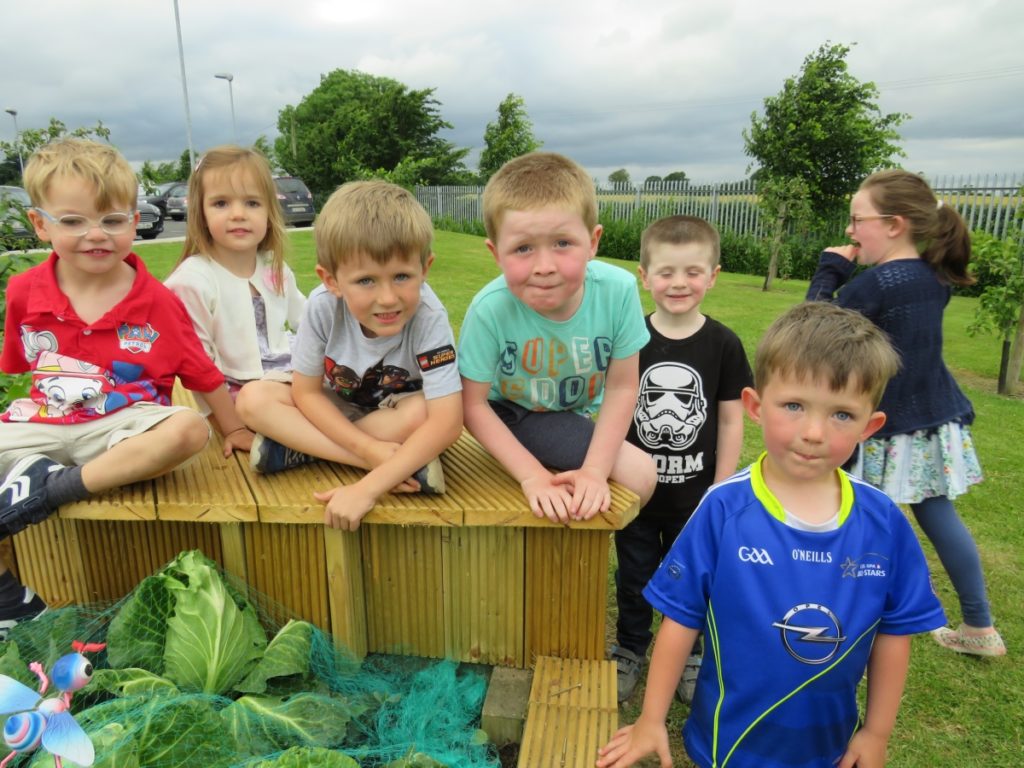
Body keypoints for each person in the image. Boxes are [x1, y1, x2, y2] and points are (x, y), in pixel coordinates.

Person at [597, 301, 948, 768]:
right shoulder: (722, 509)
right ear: (755, 407)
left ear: (871, 426)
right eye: (794, 406)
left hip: (830, 747)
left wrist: (877, 733)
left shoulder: (884, 523)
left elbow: (894, 632)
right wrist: (651, 719)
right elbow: (680, 619)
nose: (814, 432)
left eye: (842, 414)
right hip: (727, 743)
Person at [0, 138, 238, 638]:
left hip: (123, 427)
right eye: (73, 221)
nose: (95, 236)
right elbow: (23, 365)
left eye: (112, 220)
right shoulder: (25, 292)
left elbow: (199, 371)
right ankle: (10, 595)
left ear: (134, 220)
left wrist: (234, 430)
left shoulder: (156, 299)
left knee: (189, 429)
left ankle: (47, 493)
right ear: (40, 224)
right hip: (45, 422)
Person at [806, 169, 1005, 657]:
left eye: (858, 220)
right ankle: (979, 627)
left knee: (852, 518)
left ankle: (838, 618)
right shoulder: (933, 278)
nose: (851, 231)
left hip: (884, 429)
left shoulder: (880, 283)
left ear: (894, 224)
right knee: (938, 515)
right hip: (932, 420)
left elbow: (812, 329)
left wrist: (831, 270)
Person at [237, 180, 462, 531]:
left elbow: (449, 423)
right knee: (252, 399)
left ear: (426, 268)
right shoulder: (322, 307)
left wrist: (367, 490)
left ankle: (299, 449)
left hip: (393, 414)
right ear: (331, 280)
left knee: (424, 413)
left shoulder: (429, 316)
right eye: (367, 281)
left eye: (402, 276)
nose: (388, 298)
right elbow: (307, 392)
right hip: (336, 406)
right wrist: (370, 455)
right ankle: (395, 462)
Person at [458, 152, 657, 523]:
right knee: (640, 473)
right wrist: (533, 476)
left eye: (562, 243)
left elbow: (622, 388)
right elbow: (473, 405)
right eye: (523, 248)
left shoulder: (619, 291)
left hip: (567, 412)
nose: (544, 266)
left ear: (593, 241)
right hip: (512, 414)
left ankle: (632, 570)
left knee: (635, 477)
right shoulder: (490, 308)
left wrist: (595, 471)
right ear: (495, 253)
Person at [611, 215, 752, 704]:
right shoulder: (628, 339)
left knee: (694, 577)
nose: (679, 283)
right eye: (666, 272)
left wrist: (723, 485)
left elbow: (732, 419)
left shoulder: (724, 345)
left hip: (696, 499)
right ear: (643, 276)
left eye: (693, 271)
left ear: (713, 276)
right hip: (635, 494)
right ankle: (630, 648)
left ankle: (691, 653)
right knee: (633, 576)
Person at [164, 145, 306, 457]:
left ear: (269, 210)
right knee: (266, 403)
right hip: (236, 395)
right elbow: (200, 368)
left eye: (252, 202)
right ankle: (362, 448)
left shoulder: (274, 266)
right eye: (221, 203)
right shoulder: (192, 281)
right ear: (200, 212)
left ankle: (379, 444)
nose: (238, 213)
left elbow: (308, 322)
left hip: (288, 376)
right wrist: (232, 427)